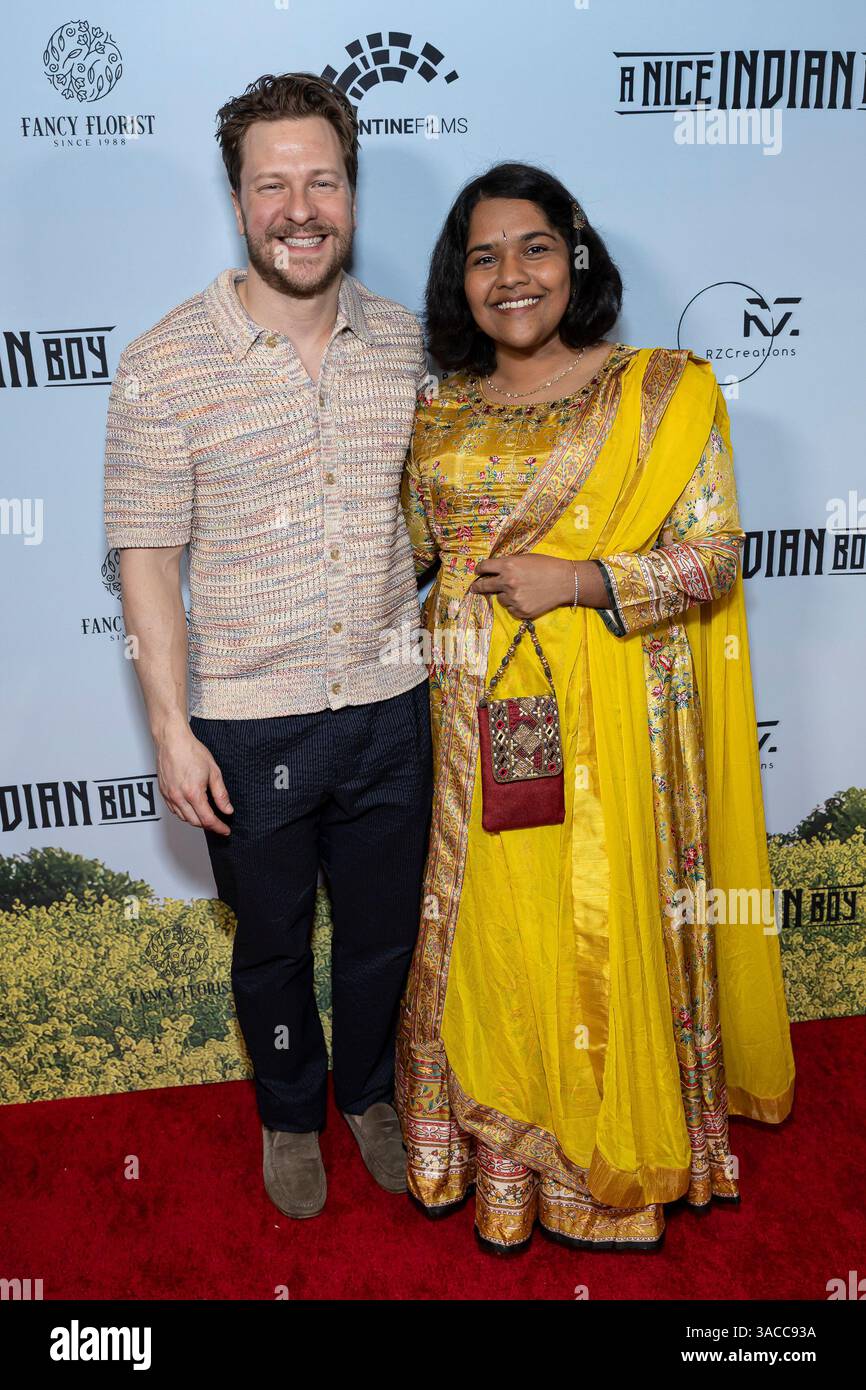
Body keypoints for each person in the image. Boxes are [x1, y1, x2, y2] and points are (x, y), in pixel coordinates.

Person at [395, 161, 795, 1253]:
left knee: (595, 920)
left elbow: (712, 557)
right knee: (487, 929)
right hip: (473, 717)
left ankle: (596, 1167)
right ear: (458, 279)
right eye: (482, 257)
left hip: (613, 714)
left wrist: (576, 581)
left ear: (573, 257)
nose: (510, 276)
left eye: (532, 247)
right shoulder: (437, 413)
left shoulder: (662, 391)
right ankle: (497, 1166)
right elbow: (414, 560)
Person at [102, 73, 433, 1220]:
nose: (300, 208)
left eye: (321, 180)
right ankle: (291, 1112)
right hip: (249, 722)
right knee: (273, 947)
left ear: (352, 189)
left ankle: (371, 1095)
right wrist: (170, 730)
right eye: (271, 184)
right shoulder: (163, 360)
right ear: (238, 200)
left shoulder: (408, 344)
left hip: (395, 706)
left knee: (385, 938)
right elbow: (144, 554)